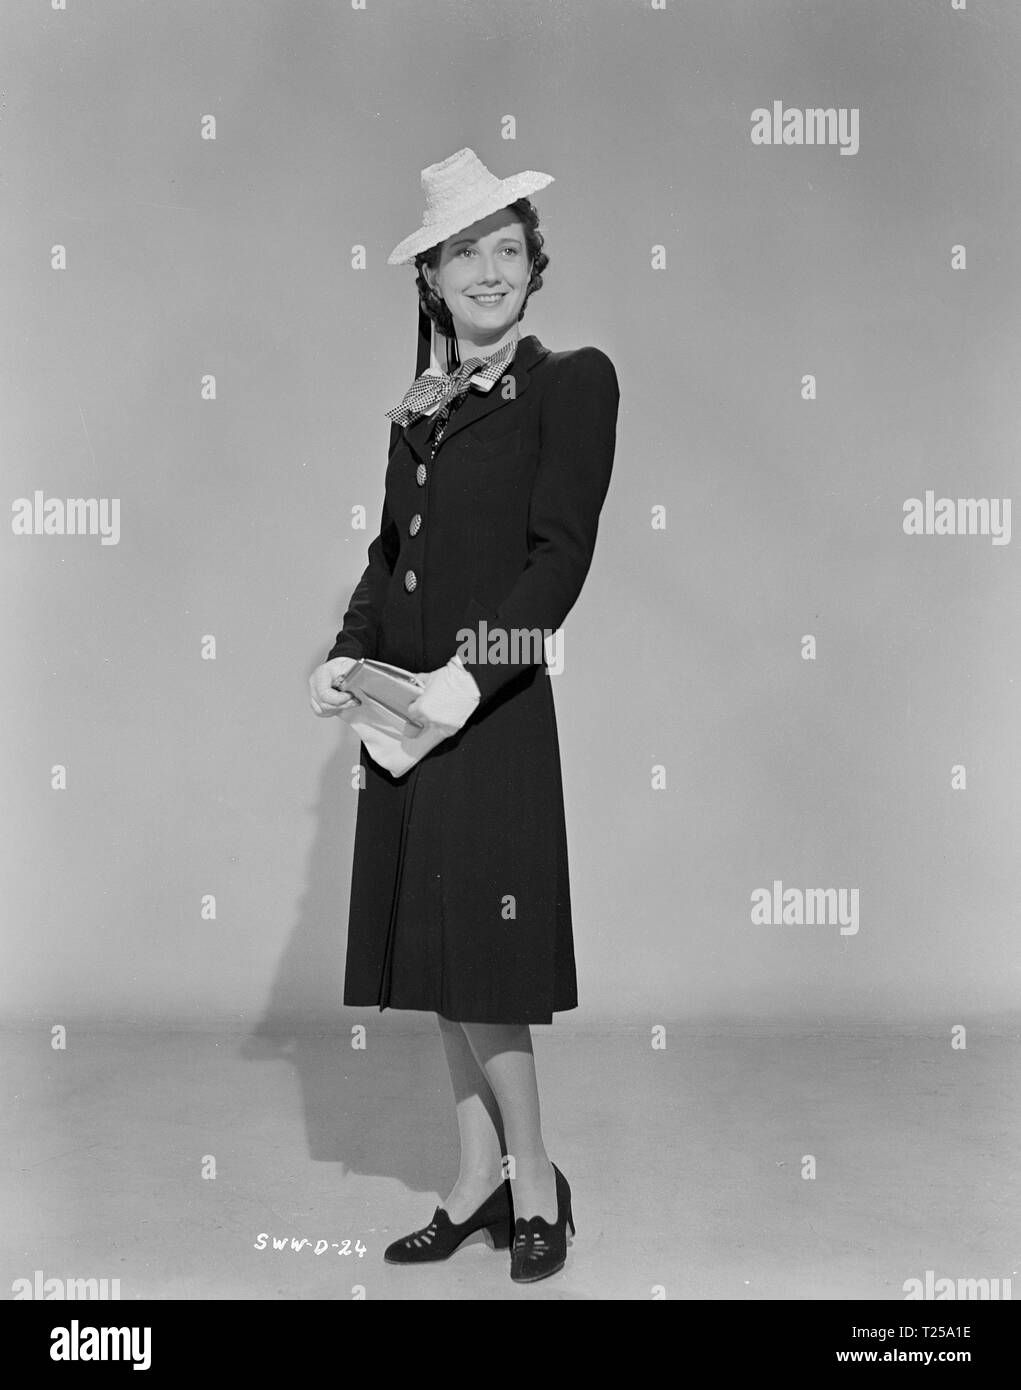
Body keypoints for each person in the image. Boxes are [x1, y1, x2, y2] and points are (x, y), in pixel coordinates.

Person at [308, 147, 619, 1283]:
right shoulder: (419, 411)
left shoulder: (572, 381)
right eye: (461, 254)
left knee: (488, 968)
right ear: (430, 280)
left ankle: (536, 1180)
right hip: (405, 725)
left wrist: (467, 677)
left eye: (505, 249)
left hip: (487, 718)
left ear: (532, 267)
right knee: (442, 965)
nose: (486, 271)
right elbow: (391, 555)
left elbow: (559, 558)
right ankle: (474, 1175)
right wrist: (348, 653)